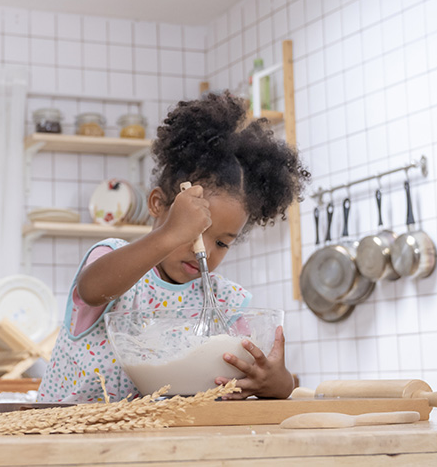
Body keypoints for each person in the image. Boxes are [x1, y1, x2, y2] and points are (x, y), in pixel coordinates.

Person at [38, 92, 309, 403]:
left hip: (151, 432)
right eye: (194, 231)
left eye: (222, 242)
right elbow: (92, 290)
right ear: (158, 204)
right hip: (65, 426)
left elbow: (266, 373)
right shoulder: (115, 261)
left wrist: (276, 383)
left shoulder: (222, 302)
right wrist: (170, 234)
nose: (204, 251)